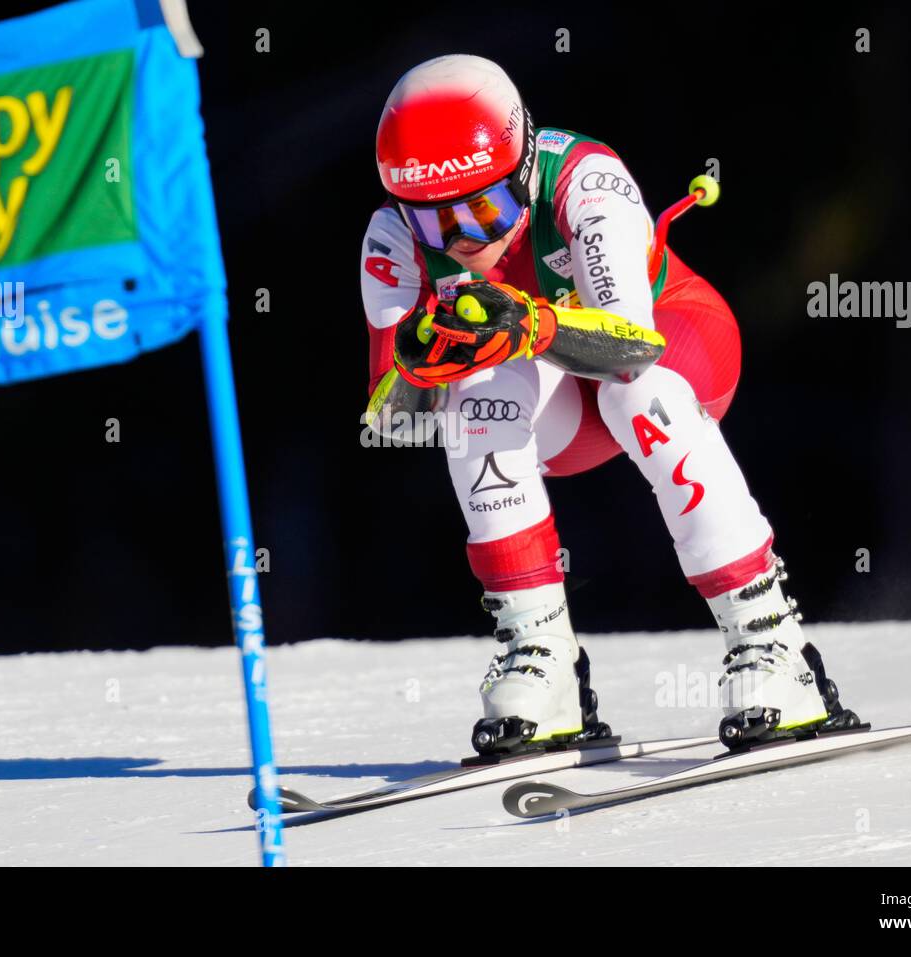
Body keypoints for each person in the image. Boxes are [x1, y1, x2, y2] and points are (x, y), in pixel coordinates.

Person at [360, 54, 856, 755]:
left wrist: (529, 324)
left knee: (640, 397)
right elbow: (392, 421)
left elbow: (632, 346)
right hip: (562, 398)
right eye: (437, 227)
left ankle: (771, 640)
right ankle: (543, 656)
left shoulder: (584, 180)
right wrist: (419, 364)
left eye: (485, 209)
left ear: (524, 167)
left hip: (676, 345)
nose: (467, 242)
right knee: (475, 399)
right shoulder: (390, 239)